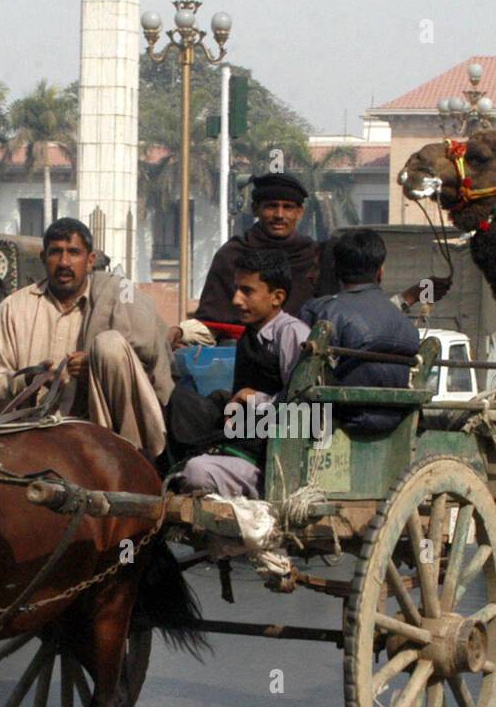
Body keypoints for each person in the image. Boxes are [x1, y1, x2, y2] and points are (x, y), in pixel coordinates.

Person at [0, 217, 172, 459]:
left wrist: (99, 369)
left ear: (90, 261)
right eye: (56, 252)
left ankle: (133, 457)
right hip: (31, 440)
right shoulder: (13, 310)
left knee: (109, 347)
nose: (64, 262)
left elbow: (143, 372)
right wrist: (27, 381)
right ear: (43, 258)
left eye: (74, 253)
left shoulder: (113, 301)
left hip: (99, 443)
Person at [176, 250, 311, 498]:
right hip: (245, 437)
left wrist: (254, 399)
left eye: (247, 291)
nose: (237, 300)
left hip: (273, 457)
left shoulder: (291, 334)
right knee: (180, 404)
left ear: (277, 297)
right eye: (236, 289)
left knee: (197, 471)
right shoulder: (249, 335)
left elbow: (303, 406)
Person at [183, 172, 337, 337]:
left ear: (299, 212)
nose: (279, 215)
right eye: (271, 206)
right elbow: (211, 321)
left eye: (288, 207)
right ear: (256, 209)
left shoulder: (315, 256)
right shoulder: (231, 255)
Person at [300, 228, 420, 433]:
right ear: (380, 271)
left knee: (242, 424)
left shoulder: (319, 310)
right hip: (393, 423)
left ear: (335, 268)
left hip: (334, 423)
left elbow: (298, 378)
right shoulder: (406, 323)